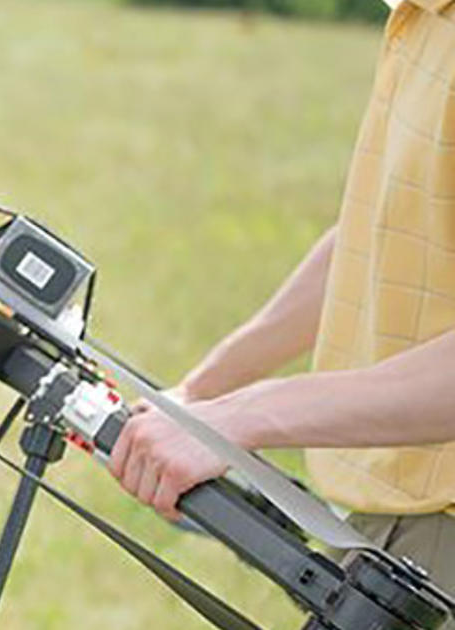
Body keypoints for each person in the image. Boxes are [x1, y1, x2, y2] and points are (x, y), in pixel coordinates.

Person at [108, 0, 455, 593]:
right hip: (397, 513)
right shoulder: (424, 20)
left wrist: (241, 416)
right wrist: (198, 395)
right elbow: (381, 228)